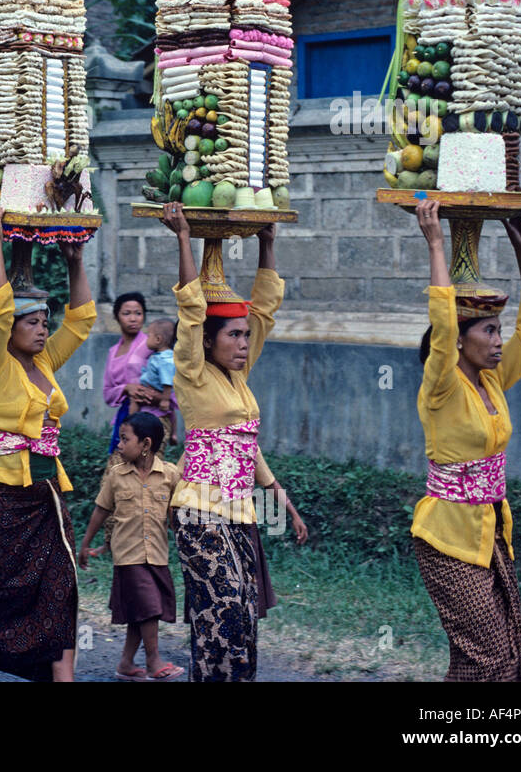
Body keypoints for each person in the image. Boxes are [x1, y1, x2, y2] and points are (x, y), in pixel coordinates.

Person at [160, 201, 308, 682]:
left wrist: (267, 243)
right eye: (234, 336)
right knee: (222, 608)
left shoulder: (239, 379)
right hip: (199, 512)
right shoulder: (193, 371)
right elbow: (191, 311)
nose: (245, 343)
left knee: (242, 615)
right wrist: (185, 238)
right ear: (209, 340)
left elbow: (263, 311)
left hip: (239, 512)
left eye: (247, 336)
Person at [411, 199, 521, 681]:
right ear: (460, 339)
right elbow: (444, 325)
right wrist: (435, 244)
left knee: (501, 656)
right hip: (447, 539)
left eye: (498, 330)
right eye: (490, 331)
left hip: (491, 532)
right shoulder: (441, 388)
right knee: (489, 657)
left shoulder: (492, 380)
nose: (498, 341)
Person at [0, 207, 96, 683]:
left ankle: (62, 672)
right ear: (11, 329)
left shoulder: (47, 362)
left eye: (43, 321)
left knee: (61, 582)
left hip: (45, 495)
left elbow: (80, 322)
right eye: (32, 322)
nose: (42, 329)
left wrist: (76, 263)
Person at [80, 412, 186, 681]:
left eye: (124, 439)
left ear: (146, 444)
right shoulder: (116, 475)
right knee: (149, 607)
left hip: (158, 555)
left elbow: (176, 517)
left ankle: (126, 664)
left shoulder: (170, 475)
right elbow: (101, 510)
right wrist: (85, 544)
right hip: (128, 556)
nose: (118, 444)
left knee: (140, 613)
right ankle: (153, 661)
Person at [102, 292, 155, 452]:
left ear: (144, 316)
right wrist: (126, 388)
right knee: (118, 469)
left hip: (149, 414)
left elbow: (165, 381)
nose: (133, 318)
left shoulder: (150, 345)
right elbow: (108, 393)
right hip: (124, 415)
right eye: (126, 313)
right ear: (117, 317)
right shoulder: (113, 352)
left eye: (138, 313)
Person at [139, 317, 179, 446]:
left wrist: (165, 399)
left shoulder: (165, 360)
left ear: (158, 339)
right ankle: (174, 433)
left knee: (168, 410)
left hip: (160, 392)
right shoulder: (159, 356)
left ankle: (130, 422)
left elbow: (167, 382)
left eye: (148, 335)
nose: (146, 338)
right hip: (154, 389)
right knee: (171, 413)